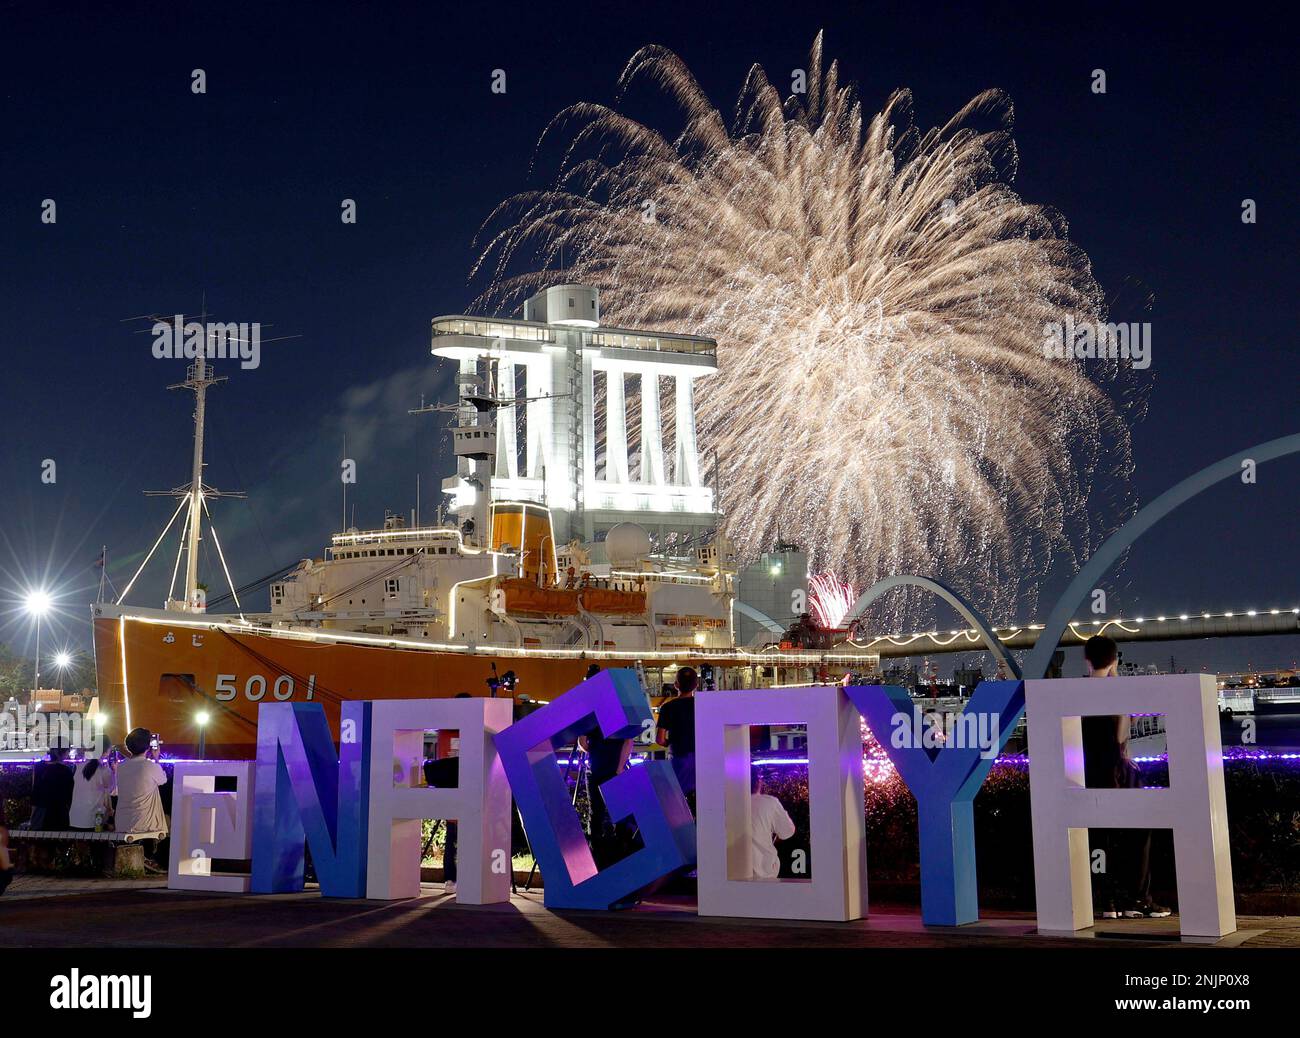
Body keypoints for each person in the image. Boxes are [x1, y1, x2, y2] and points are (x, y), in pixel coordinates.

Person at [1082, 635, 1170, 919]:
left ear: (1086, 660)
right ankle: (1137, 899)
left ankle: (1107, 902)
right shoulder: (1116, 690)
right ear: (1115, 660)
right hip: (1116, 772)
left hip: (1086, 771)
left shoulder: (1074, 690)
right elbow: (1120, 736)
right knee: (1139, 831)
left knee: (1100, 836)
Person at [578, 664, 634, 867]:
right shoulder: (619, 706)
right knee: (619, 812)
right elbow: (629, 741)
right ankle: (623, 856)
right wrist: (620, 767)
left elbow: (583, 744)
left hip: (596, 767)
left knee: (596, 813)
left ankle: (596, 858)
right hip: (615, 767)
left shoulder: (587, 711)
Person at [423, 694, 471, 894]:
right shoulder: (445, 731)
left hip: (470, 790)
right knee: (452, 836)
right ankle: (451, 878)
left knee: (466, 837)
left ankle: (467, 878)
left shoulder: (474, 729)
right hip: (451, 790)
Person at [115, 728, 169, 872]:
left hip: (122, 820)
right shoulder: (149, 766)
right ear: (148, 746)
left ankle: (147, 857)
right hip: (143, 822)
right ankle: (152, 859)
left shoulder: (121, 767)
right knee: (168, 824)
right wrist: (157, 758)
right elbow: (163, 780)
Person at [655, 666, 698, 803]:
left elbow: (660, 739)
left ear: (676, 685)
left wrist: (670, 742)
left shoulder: (668, 708)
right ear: (696, 685)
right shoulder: (703, 705)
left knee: (676, 801)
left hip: (679, 758)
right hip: (701, 759)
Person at [749, 768, 796, 879]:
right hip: (765, 872)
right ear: (759, 782)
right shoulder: (770, 802)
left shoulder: (727, 804)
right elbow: (787, 832)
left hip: (732, 872)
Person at [30, 746, 75, 830]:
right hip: (59, 814)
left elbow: (34, 792)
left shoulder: (39, 767)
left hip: (41, 814)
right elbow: (69, 796)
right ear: (65, 752)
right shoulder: (67, 771)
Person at [70, 753, 116, 831]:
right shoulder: (104, 770)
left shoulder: (76, 767)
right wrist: (114, 772)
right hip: (94, 820)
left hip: (73, 819)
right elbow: (111, 789)